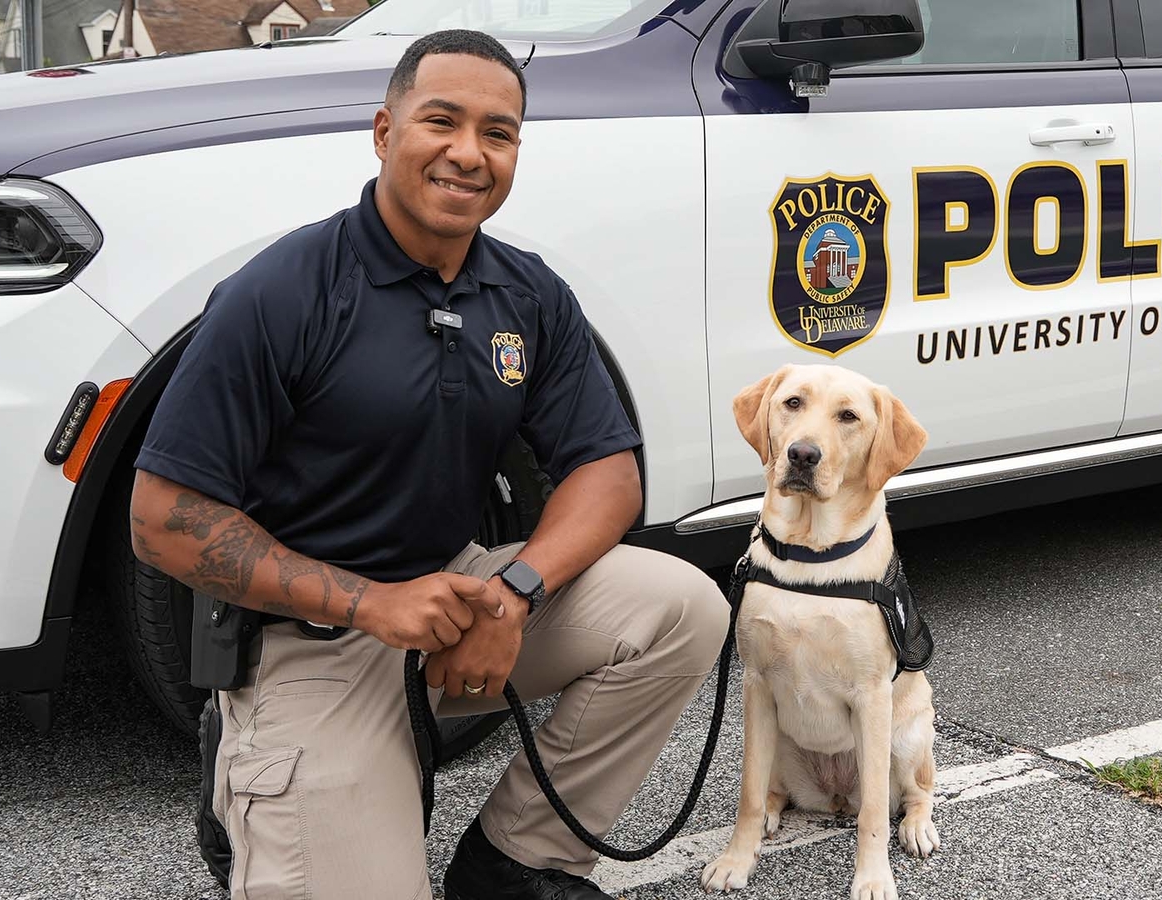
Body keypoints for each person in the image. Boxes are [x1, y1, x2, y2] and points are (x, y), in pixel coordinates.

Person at [129, 29, 728, 900]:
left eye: (498, 132)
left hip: (456, 596)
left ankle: (519, 863)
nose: (469, 153)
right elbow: (161, 520)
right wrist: (373, 604)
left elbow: (610, 474)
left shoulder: (527, 293)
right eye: (441, 121)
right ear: (384, 133)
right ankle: (247, 763)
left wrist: (515, 593)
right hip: (312, 637)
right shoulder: (282, 290)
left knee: (681, 607)